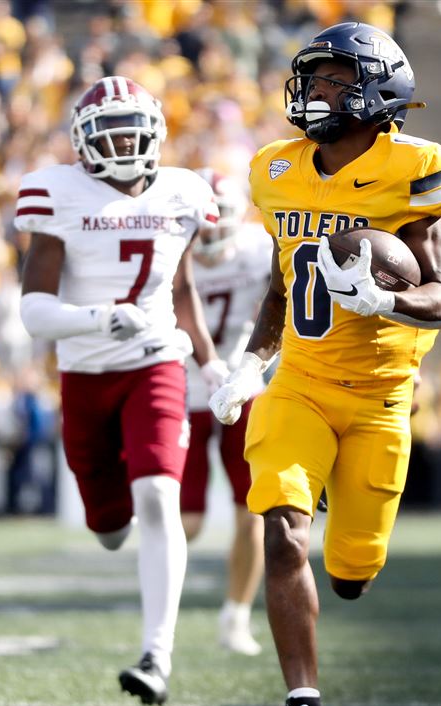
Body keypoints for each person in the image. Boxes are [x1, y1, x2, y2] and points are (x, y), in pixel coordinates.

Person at [208, 22, 441, 706]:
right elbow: (282, 282)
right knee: (283, 532)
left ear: (377, 90)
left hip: (382, 397)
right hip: (301, 385)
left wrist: (388, 303)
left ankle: (345, 582)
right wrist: (250, 363)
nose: (315, 90)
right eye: (312, 77)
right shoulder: (276, 168)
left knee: (352, 574)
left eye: (332, 78)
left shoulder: (414, 168)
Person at [16, 76, 224, 706]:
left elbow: (181, 288)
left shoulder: (183, 192)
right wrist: (100, 318)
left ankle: (157, 654)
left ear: (154, 133)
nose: (123, 142)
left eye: (131, 130)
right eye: (108, 131)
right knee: (108, 526)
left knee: (159, 497)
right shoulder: (58, 193)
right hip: (85, 373)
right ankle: (115, 526)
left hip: (155, 363)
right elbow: (34, 311)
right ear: (83, 141)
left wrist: (210, 363)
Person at [181, 169, 271, 656]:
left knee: (253, 511)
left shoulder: (258, 248)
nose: (211, 232)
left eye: (220, 219)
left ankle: (236, 616)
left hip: (242, 386)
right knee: (188, 523)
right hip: (181, 388)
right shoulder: (169, 250)